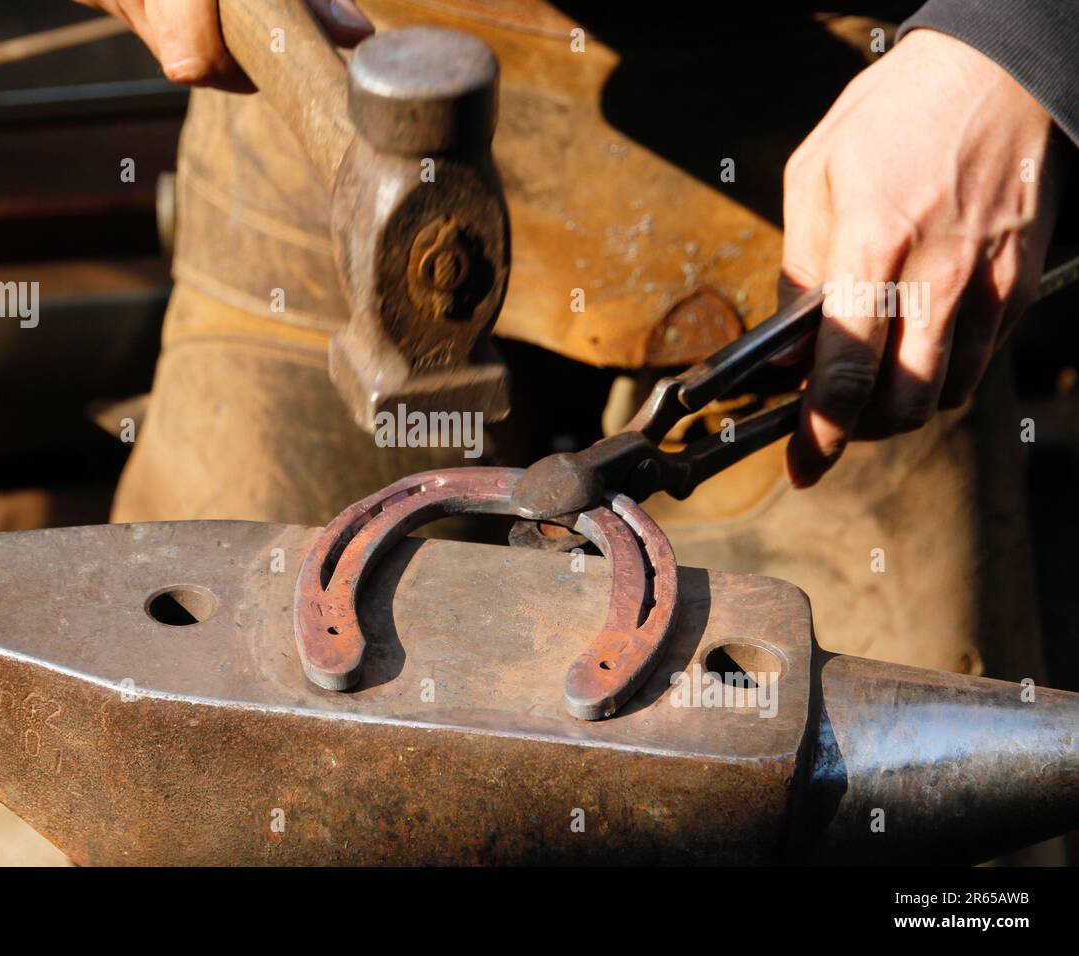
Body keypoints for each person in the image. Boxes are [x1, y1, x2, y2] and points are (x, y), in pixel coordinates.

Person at [82, 1, 1073, 684]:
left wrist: (1012, 41)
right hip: (316, 140)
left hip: (860, 191)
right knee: (182, 703)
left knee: (906, 806)